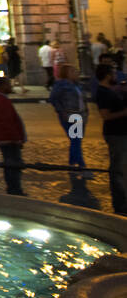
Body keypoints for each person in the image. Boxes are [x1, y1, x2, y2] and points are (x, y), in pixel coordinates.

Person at [94, 62, 127, 215]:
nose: (115, 75)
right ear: (107, 75)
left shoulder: (110, 90)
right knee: (118, 169)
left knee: (121, 167)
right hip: (116, 134)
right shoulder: (103, 92)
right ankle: (120, 205)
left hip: (120, 133)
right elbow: (105, 115)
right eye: (113, 73)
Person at [0, 75, 26, 196]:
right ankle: (14, 189)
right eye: (9, 84)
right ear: (3, 86)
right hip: (8, 139)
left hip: (6, 138)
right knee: (12, 164)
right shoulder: (1, 100)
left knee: (10, 163)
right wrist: (17, 139)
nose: (11, 86)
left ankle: (14, 188)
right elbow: (8, 122)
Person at [48, 64, 87, 171]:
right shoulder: (61, 85)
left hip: (80, 115)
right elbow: (53, 99)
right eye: (73, 71)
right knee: (76, 140)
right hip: (70, 115)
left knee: (76, 140)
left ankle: (72, 162)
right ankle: (81, 165)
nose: (76, 73)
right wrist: (62, 111)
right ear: (67, 74)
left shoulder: (77, 85)